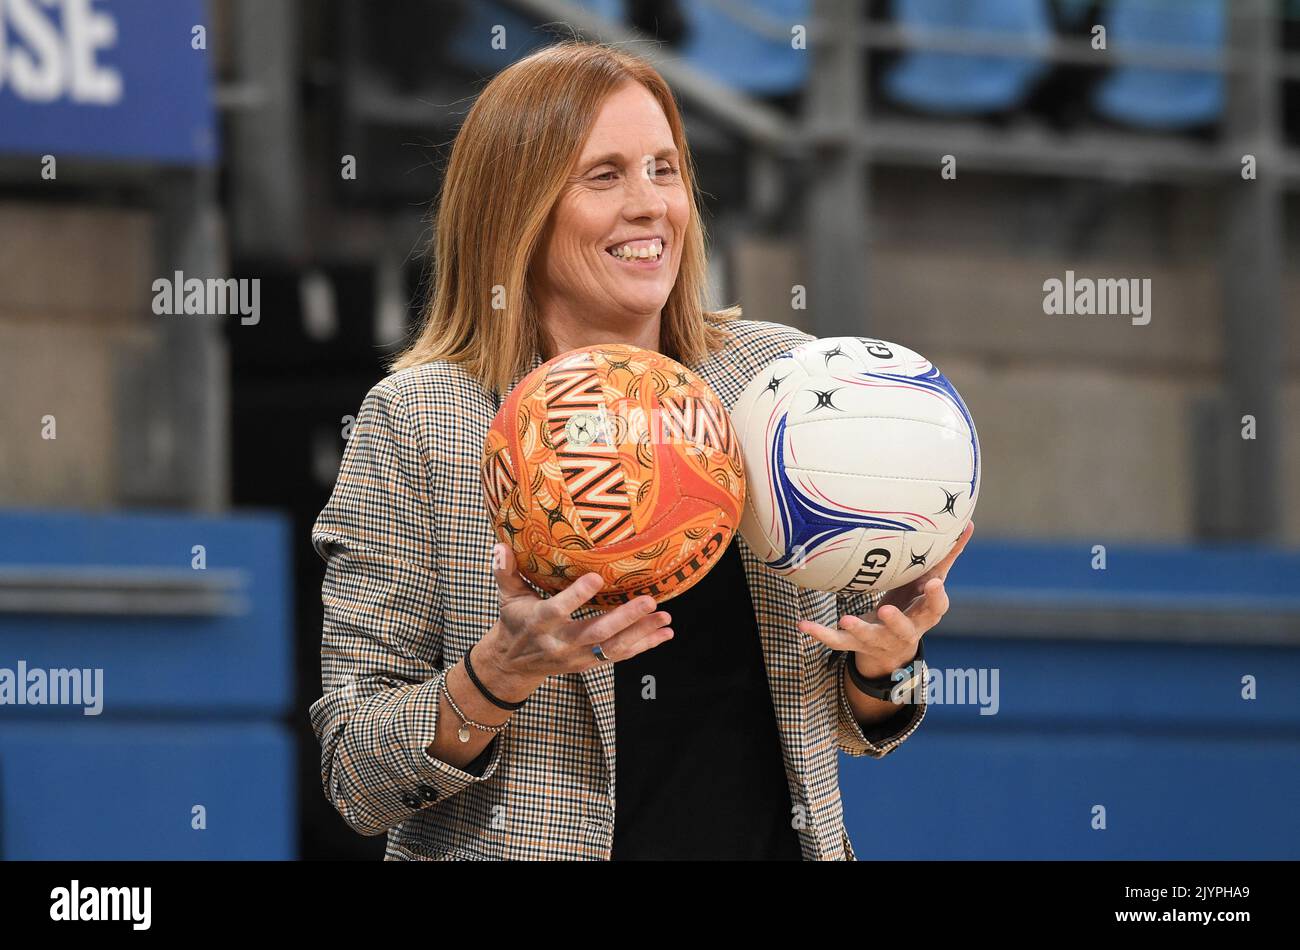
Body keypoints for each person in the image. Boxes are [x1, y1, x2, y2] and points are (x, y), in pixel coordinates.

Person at [307, 40, 971, 861]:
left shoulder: (777, 384)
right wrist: (497, 675)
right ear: (517, 209)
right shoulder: (421, 421)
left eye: (665, 168)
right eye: (604, 175)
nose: (650, 204)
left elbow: (842, 720)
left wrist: (885, 661)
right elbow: (353, 772)